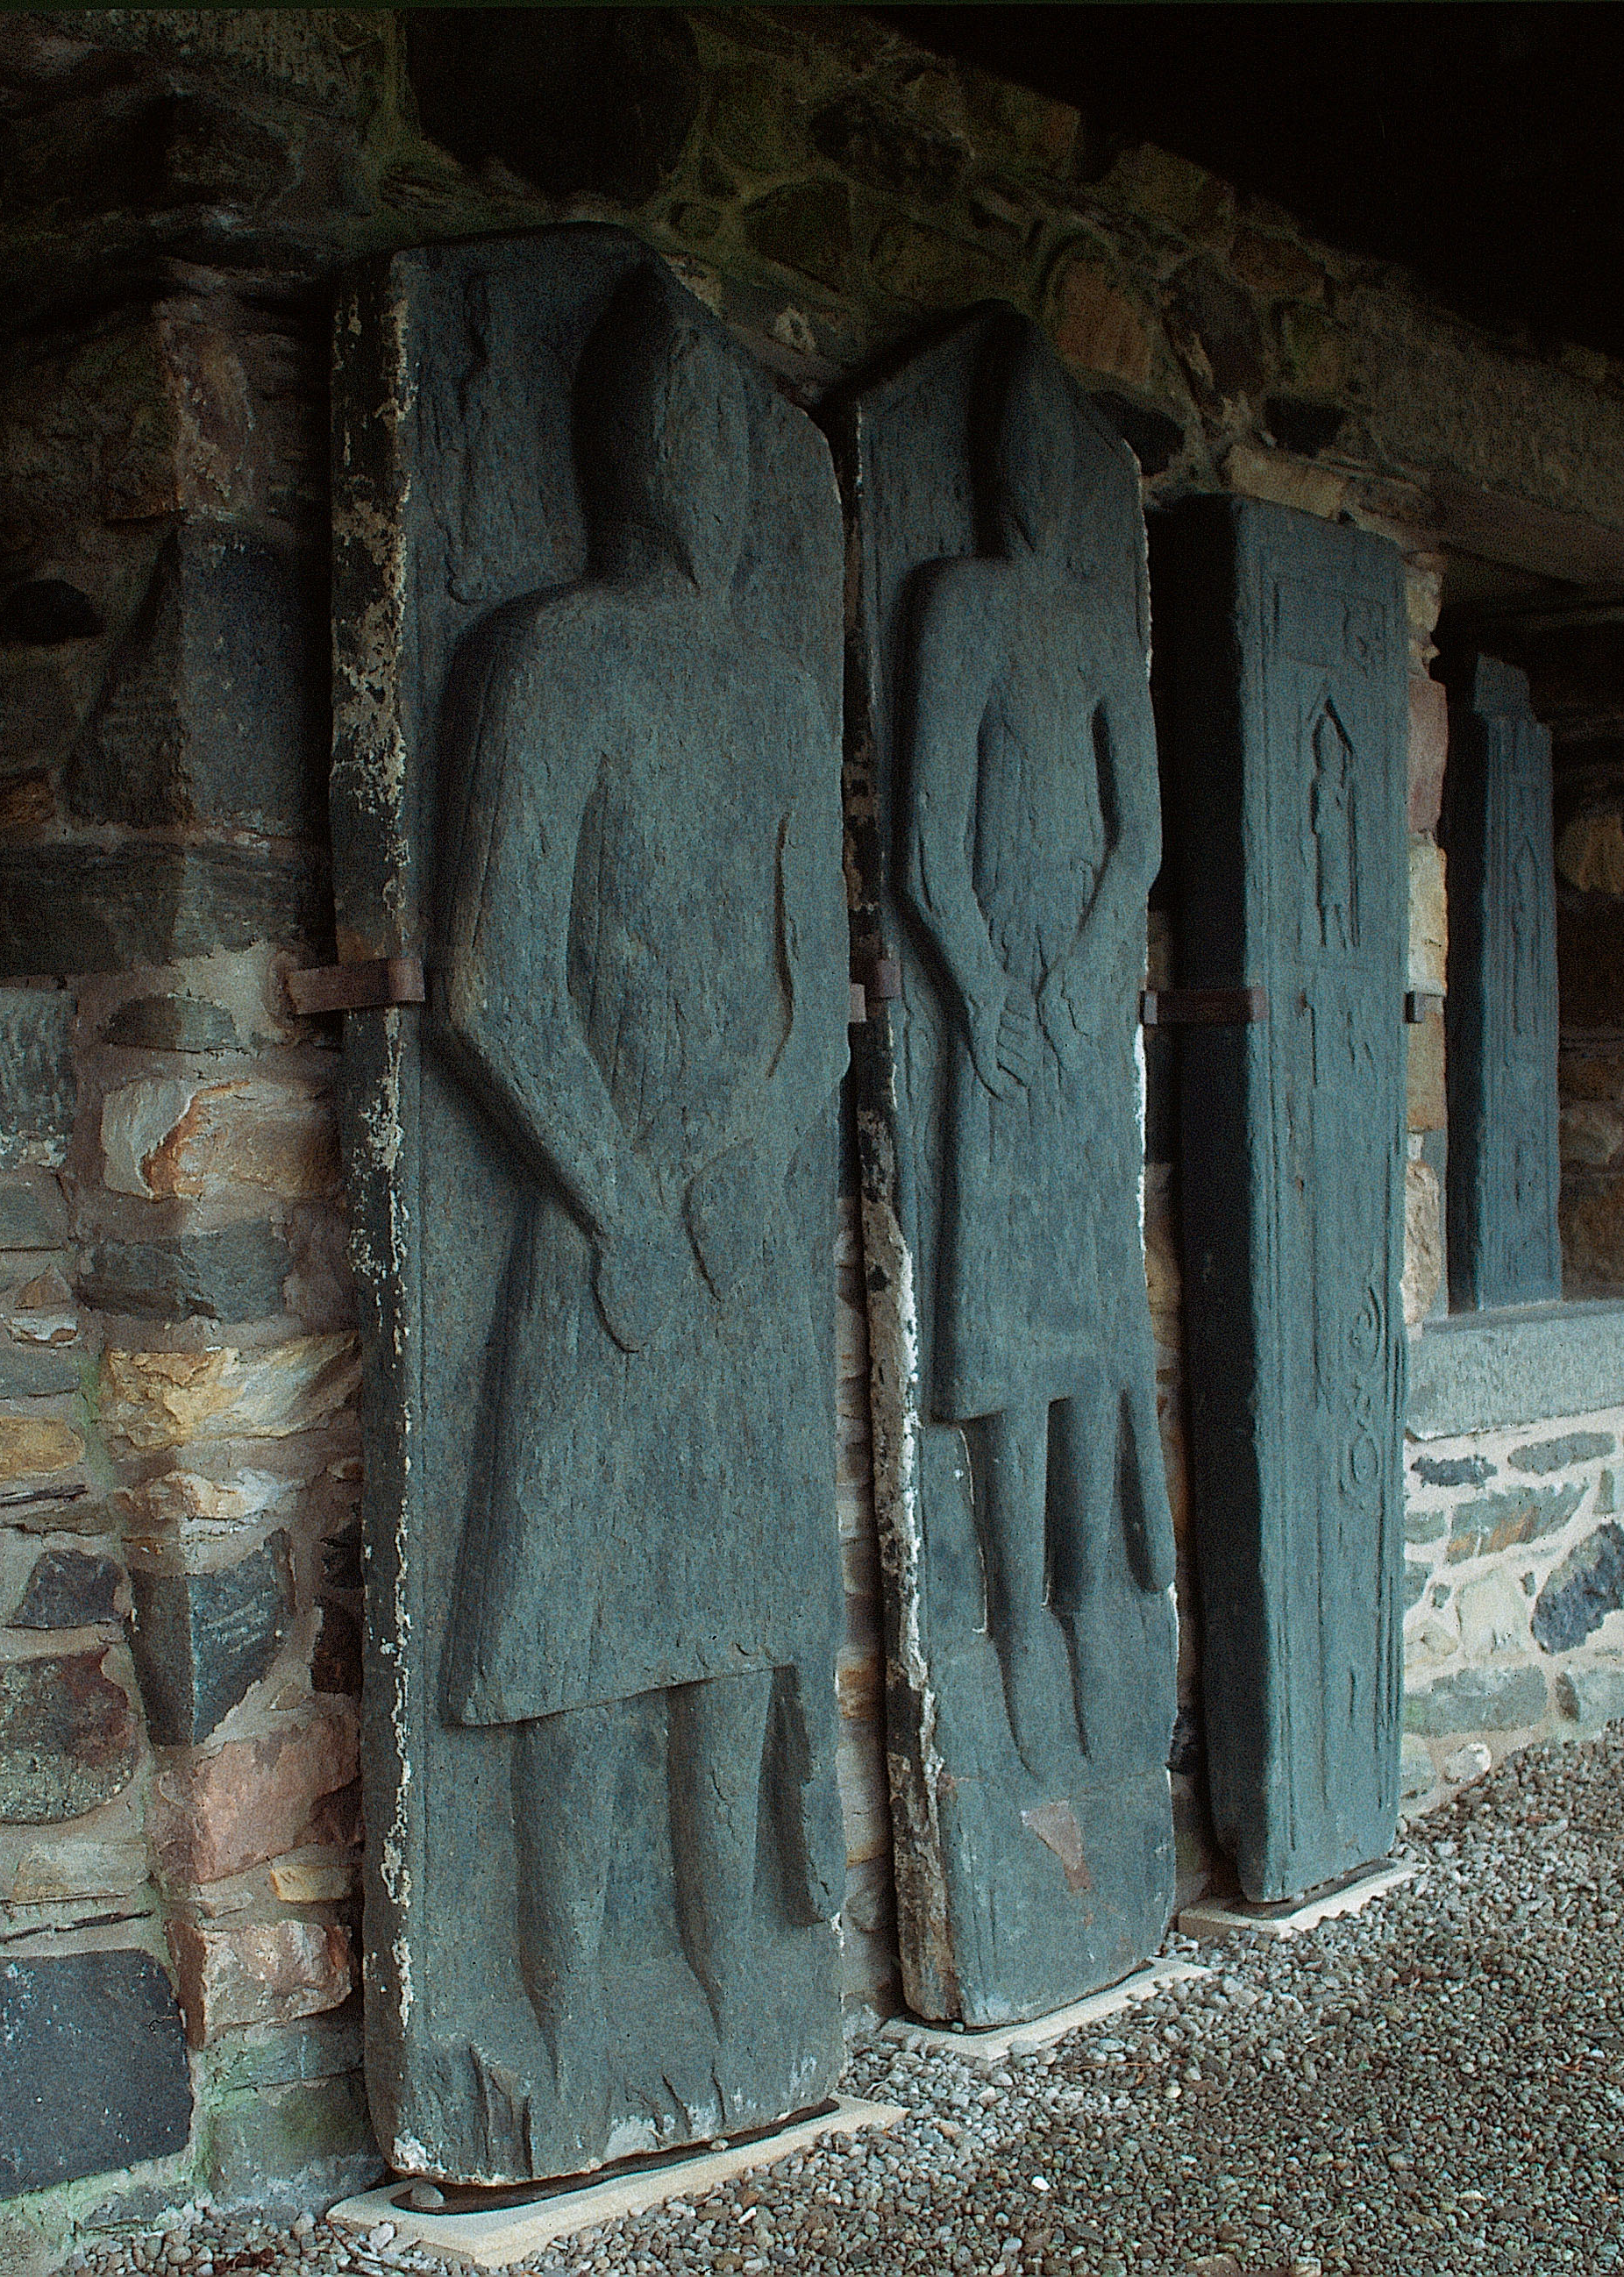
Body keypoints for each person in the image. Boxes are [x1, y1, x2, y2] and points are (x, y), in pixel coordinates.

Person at [430, 272, 849, 2081]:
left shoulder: (776, 693)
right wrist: (618, 1201)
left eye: (731, 443)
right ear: (627, 455)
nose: (715, 476)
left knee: (733, 1611)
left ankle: (727, 1971)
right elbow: (493, 983)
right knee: (579, 1623)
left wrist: (730, 1177)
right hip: (589, 1210)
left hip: (726, 1223)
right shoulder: (554, 659)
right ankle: (560, 1994)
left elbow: (815, 994)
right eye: (687, 439)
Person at [894, 314, 1173, 1782]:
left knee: (1087, 1315)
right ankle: (1007, 1614)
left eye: (1046, 467)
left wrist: (1080, 975)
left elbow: (1140, 837)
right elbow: (926, 841)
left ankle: (1083, 1595)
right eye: (1016, 464)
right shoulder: (960, 607)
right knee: (1001, 1332)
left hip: (1073, 1008)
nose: (1031, 491)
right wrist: (990, 992)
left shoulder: (1101, 630)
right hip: (995, 1025)